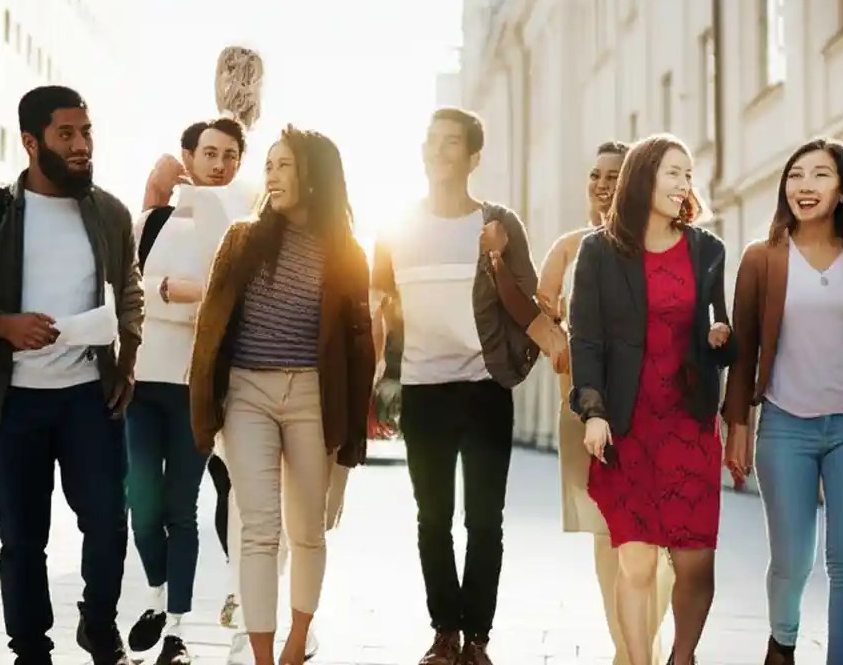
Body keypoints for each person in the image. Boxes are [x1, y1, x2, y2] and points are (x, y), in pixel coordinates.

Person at [0, 85, 143, 665]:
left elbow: (130, 293)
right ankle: (30, 649)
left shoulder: (109, 213)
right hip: (13, 404)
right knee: (23, 538)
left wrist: (128, 360)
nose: (81, 146)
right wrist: (5, 324)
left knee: (109, 522)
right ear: (31, 142)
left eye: (86, 132)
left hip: (88, 398)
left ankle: (98, 625)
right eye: (65, 134)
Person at [188, 125, 374, 665]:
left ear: (313, 175)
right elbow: (209, 330)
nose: (271, 175)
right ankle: (262, 657)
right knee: (259, 529)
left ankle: (297, 643)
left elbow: (360, 348)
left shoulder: (346, 253)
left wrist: (352, 437)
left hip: (312, 395)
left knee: (307, 530)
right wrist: (206, 409)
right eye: (268, 165)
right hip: (248, 393)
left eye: (284, 164)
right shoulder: (242, 240)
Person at [373, 107, 550, 665]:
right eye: (431, 140)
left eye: (451, 142)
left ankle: (477, 639)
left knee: (484, 521)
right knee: (432, 520)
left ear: (473, 157)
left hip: (484, 388)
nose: (436, 150)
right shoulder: (395, 230)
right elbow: (378, 312)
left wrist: (494, 255)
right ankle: (445, 633)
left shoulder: (498, 223)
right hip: (423, 389)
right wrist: (376, 383)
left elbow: (525, 306)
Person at [722, 138, 843, 665]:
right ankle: (783, 643)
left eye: (820, 175)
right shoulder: (762, 259)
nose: (805, 185)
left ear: (842, 190)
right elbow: (744, 350)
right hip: (785, 426)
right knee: (792, 560)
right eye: (796, 175)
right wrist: (737, 425)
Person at [569, 133, 734, 665]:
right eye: (673, 172)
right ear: (644, 176)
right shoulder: (599, 251)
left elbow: (719, 329)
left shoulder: (707, 250)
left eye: (688, 174)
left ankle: (681, 658)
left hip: (688, 424)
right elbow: (585, 340)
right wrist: (593, 412)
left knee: (695, 564)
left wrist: (721, 337)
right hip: (627, 424)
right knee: (636, 563)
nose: (683, 184)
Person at [541, 141, 676, 664]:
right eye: (594, 175)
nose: (601, 184)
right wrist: (558, 342)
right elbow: (539, 316)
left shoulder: (662, 245)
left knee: (658, 541)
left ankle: (637, 649)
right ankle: (627, 650)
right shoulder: (570, 248)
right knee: (607, 536)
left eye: (613, 175)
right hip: (587, 415)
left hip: (655, 412)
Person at [123, 117, 246, 665]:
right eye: (209, 153)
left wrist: (172, 296)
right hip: (142, 381)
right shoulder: (151, 223)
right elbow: (127, 290)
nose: (219, 165)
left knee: (182, 507)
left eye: (229, 155)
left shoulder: (240, 228)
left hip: (198, 386)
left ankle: (176, 630)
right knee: (142, 504)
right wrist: (178, 291)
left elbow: (236, 302)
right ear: (188, 158)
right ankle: (154, 598)